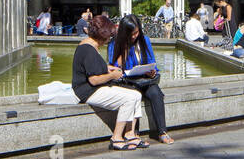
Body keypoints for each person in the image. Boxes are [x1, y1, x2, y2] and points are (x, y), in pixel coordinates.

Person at [71, 14, 145, 150]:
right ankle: (116, 137)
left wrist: (106, 68)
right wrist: (113, 76)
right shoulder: (89, 50)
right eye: (109, 37)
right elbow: (93, 80)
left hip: (92, 89)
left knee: (136, 95)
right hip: (88, 91)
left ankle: (130, 133)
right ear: (102, 36)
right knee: (128, 98)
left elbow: (91, 67)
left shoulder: (89, 45)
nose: (109, 40)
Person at [109, 13, 174, 144]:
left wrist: (152, 71)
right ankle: (134, 132)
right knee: (134, 95)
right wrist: (125, 48)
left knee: (156, 93)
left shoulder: (144, 40)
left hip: (144, 79)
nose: (134, 36)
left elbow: (151, 61)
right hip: (127, 81)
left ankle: (162, 131)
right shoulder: (115, 43)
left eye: (136, 32)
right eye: (131, 34)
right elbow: (114, 67)